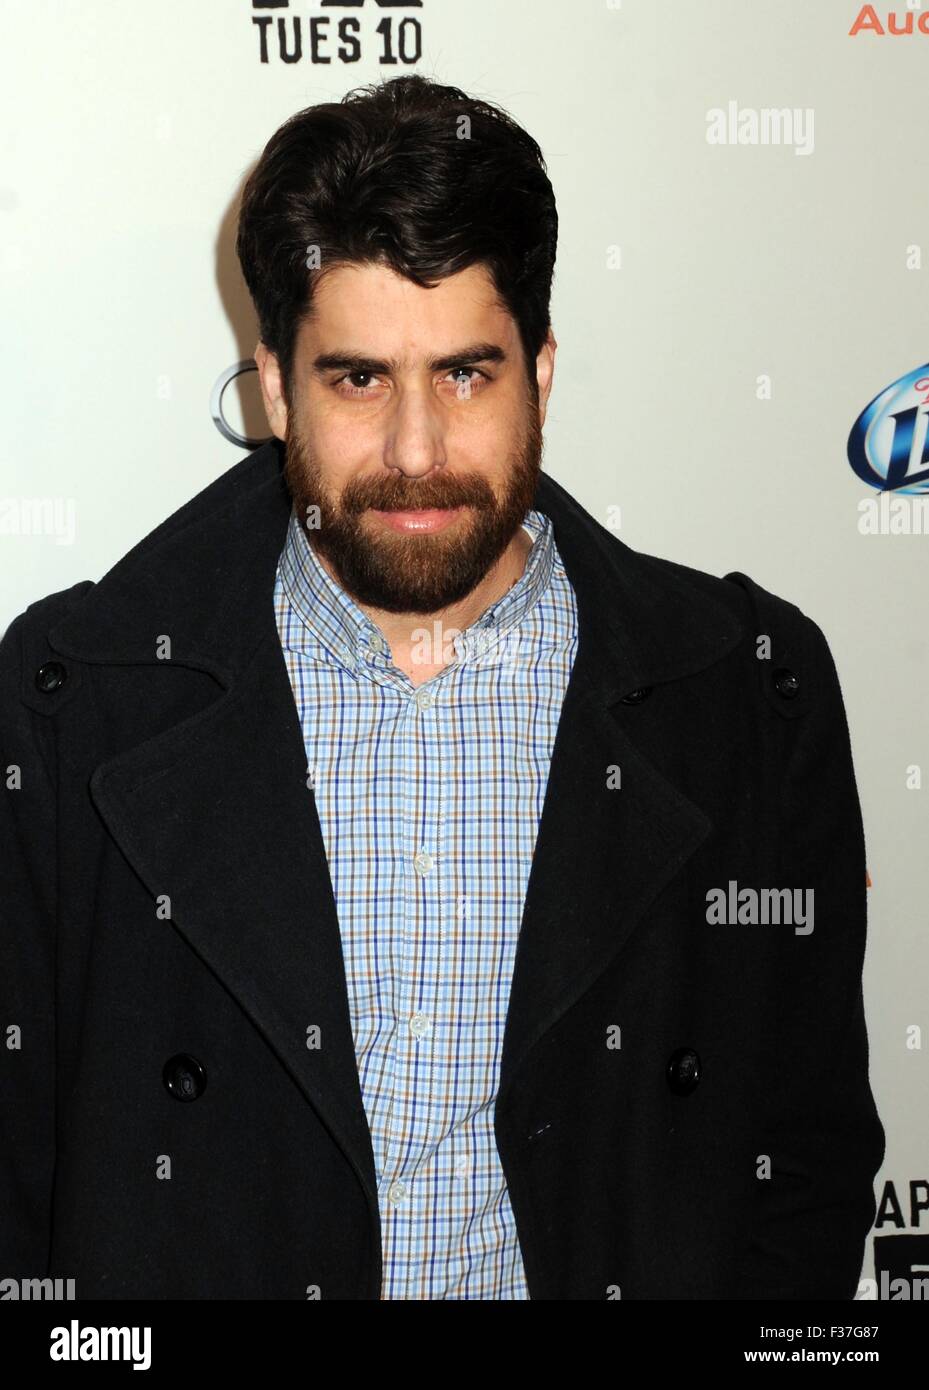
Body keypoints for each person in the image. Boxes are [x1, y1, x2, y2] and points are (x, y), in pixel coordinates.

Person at [0, 74, 884, 1300]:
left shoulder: (745, 693)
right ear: (272, 386)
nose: (416, 451)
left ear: (543, 366)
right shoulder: (73, 702)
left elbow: (803, 1154)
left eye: (466, 374)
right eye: (358, 379)